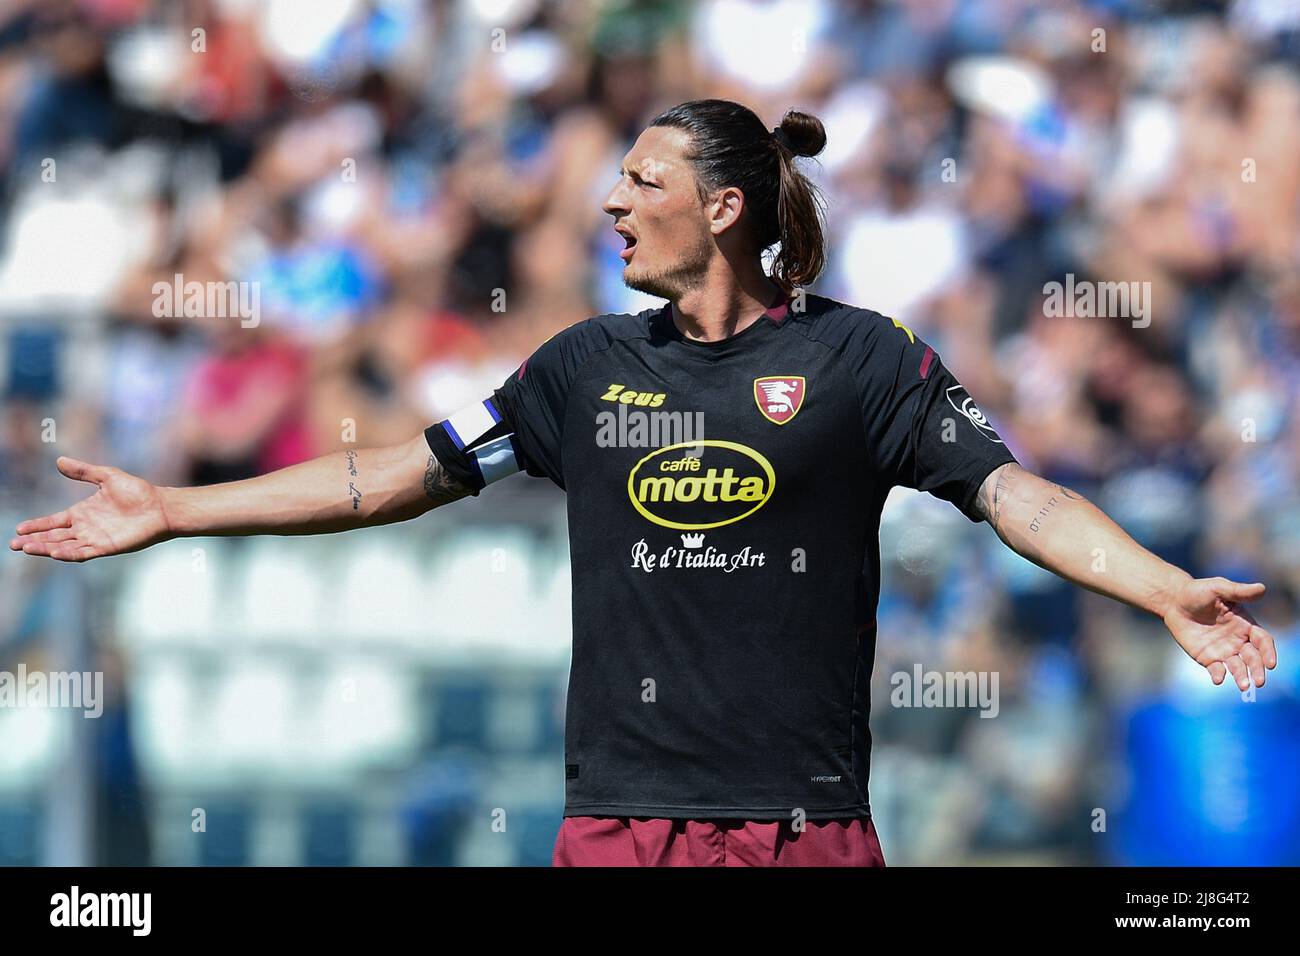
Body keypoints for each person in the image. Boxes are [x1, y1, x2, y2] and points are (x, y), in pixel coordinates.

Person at [10, 99, 1278, 867]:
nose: (609, 203)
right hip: (619, 827)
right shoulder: (579, 368)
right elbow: (384, 476)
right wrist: (179, 510)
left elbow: (1019, 495)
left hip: (802, 827)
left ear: (725, 209)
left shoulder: (862, 359)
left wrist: (1162, 587)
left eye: (642, 182)